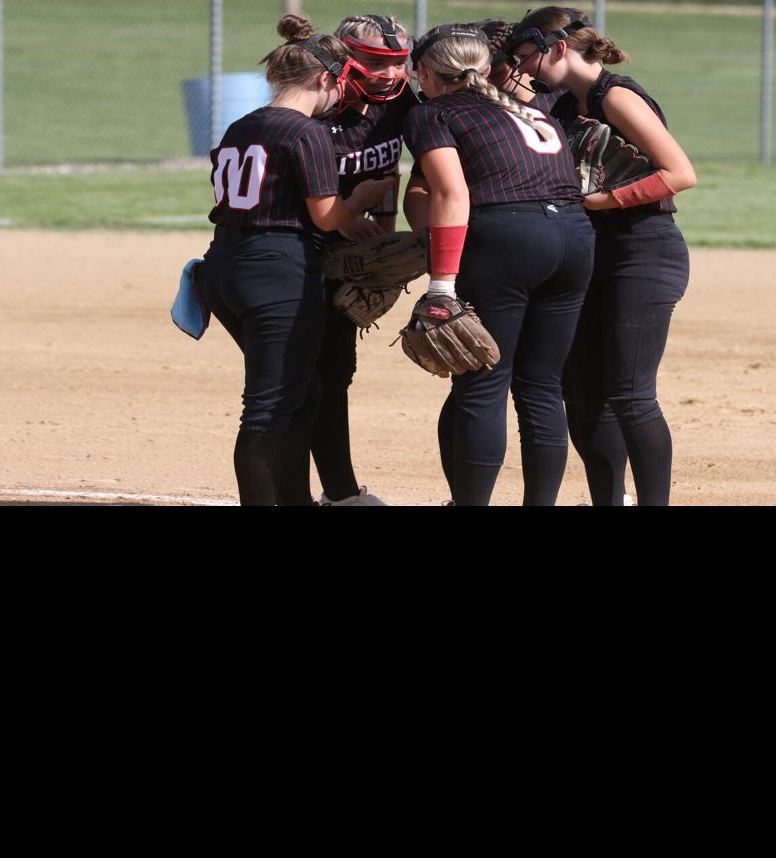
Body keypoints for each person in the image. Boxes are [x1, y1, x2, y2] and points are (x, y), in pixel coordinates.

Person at [194, 14, 392, 506]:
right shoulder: (307, 133)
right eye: (340, 85)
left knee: (301, 396)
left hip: (224, 263)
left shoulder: (242, 124)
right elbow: (327, 218)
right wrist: (363, 195)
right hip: (277, 271)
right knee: (269, 408)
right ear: (325, 79)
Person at [509, 8, 696, 506]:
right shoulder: (568, 102)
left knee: (631, 395)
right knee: (584, 395)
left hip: (643, 249)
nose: (523, 68)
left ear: (556, 48)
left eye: (527, 56)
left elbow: (679, 173)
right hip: (594, 253)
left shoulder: (616, 96)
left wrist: (602, 201)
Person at [403, 25, 595, 506]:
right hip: (574, 237)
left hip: (506, 239)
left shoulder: (433, 112)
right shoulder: (532, 109)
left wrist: (442, 284)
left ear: (424, 72)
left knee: (482, 383)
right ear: (485, 69)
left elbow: (451, 193)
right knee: (542, 388)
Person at [311, 14, 418, 507]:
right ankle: (323, 492)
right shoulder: (316, 106)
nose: (390, 74)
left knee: (335, 374)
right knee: (306, 377)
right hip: (302, 248)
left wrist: (385, 240)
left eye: (399, 63)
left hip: (350, 252)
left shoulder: (398, 102)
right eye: (377, 61)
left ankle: (339, 491)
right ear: (344, 55)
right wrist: (346, 218)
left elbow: (394, 169)